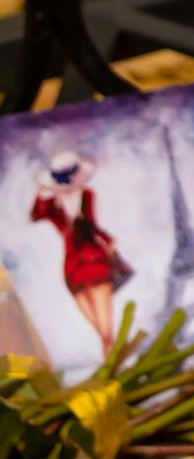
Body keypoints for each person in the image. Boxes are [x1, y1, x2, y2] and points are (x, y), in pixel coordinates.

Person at [30, 149, 133, 356]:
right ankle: (115, 363)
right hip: (72, 268)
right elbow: (36, 215)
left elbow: (92, 225)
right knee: (99, 329)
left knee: (105, 330)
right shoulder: (52, 205)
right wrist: (40, 194)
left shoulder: (87, 195)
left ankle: (113, 369)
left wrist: (108, 241)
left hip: (94, 261)